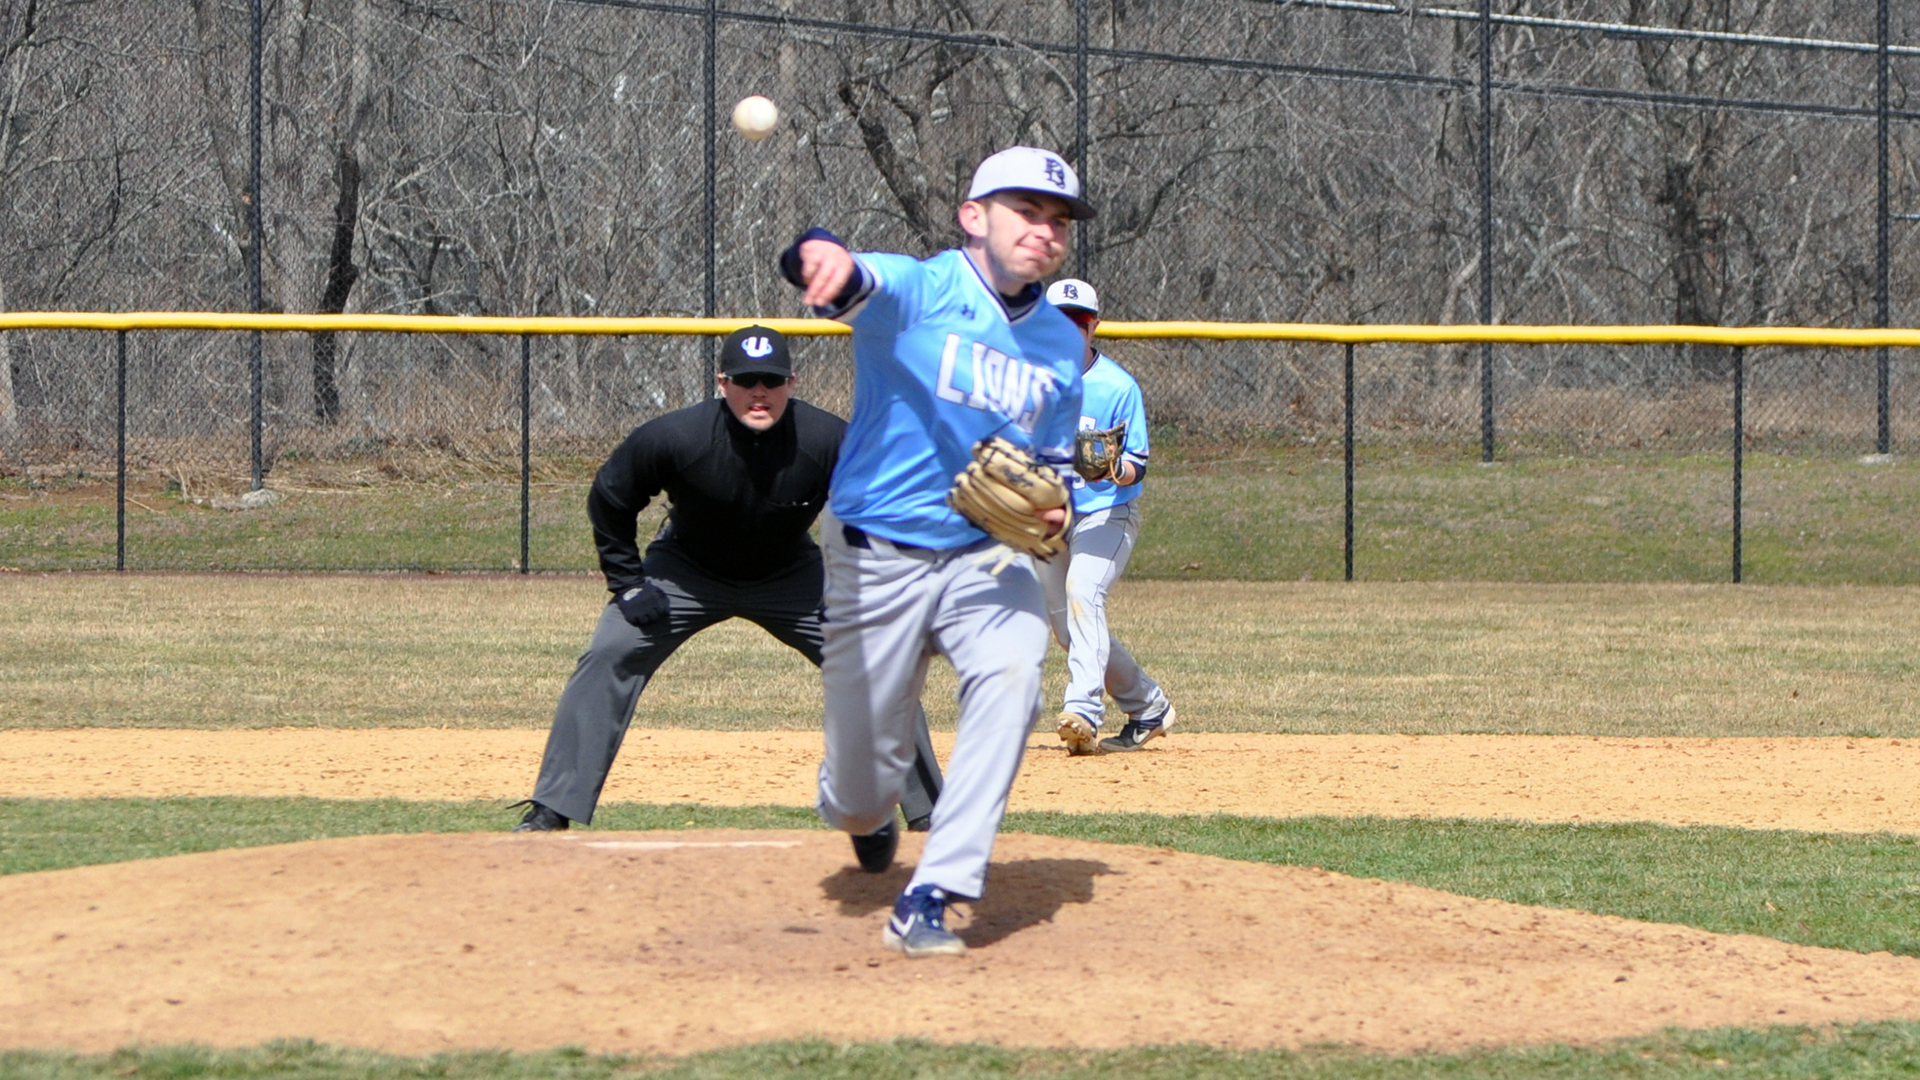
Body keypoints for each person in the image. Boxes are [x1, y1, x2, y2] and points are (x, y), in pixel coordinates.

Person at [780, 145, 1091, 958]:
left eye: (1059, 221)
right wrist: (818, 251)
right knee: (858, 790)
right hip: (873, 556)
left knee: (1015, 679)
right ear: (973, 217)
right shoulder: (924, 289)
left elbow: (1054, 471)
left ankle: (937, 890)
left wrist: (1054, 514)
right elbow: (848, 275)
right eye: (1027, 211)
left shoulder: (1062, 345)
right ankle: (867, 810)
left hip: (982, 560)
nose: (1045, 231)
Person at [512, 326, 945, 834]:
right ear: (722, 382)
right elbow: (611, 497)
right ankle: (552, 808)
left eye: (771, 379)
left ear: (791, 382)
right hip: (687, 569)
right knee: (611, 651)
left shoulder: (829, 440)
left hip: (791, 571)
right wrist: (628, 583)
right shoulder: (678, 437)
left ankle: (931, 814)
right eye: (745, 379)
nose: (758, 391)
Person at [1037, 278, 1176, 755]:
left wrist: (1116, 468)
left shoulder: (1117, 386)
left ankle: (1082, 710)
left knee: (1083, 593)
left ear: (1093, 325)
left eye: (1078, 321)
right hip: (1050, 518)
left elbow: (1137, 463)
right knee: (1068, 628)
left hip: (1106, 513)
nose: (1069, 329)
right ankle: (1148, 704)